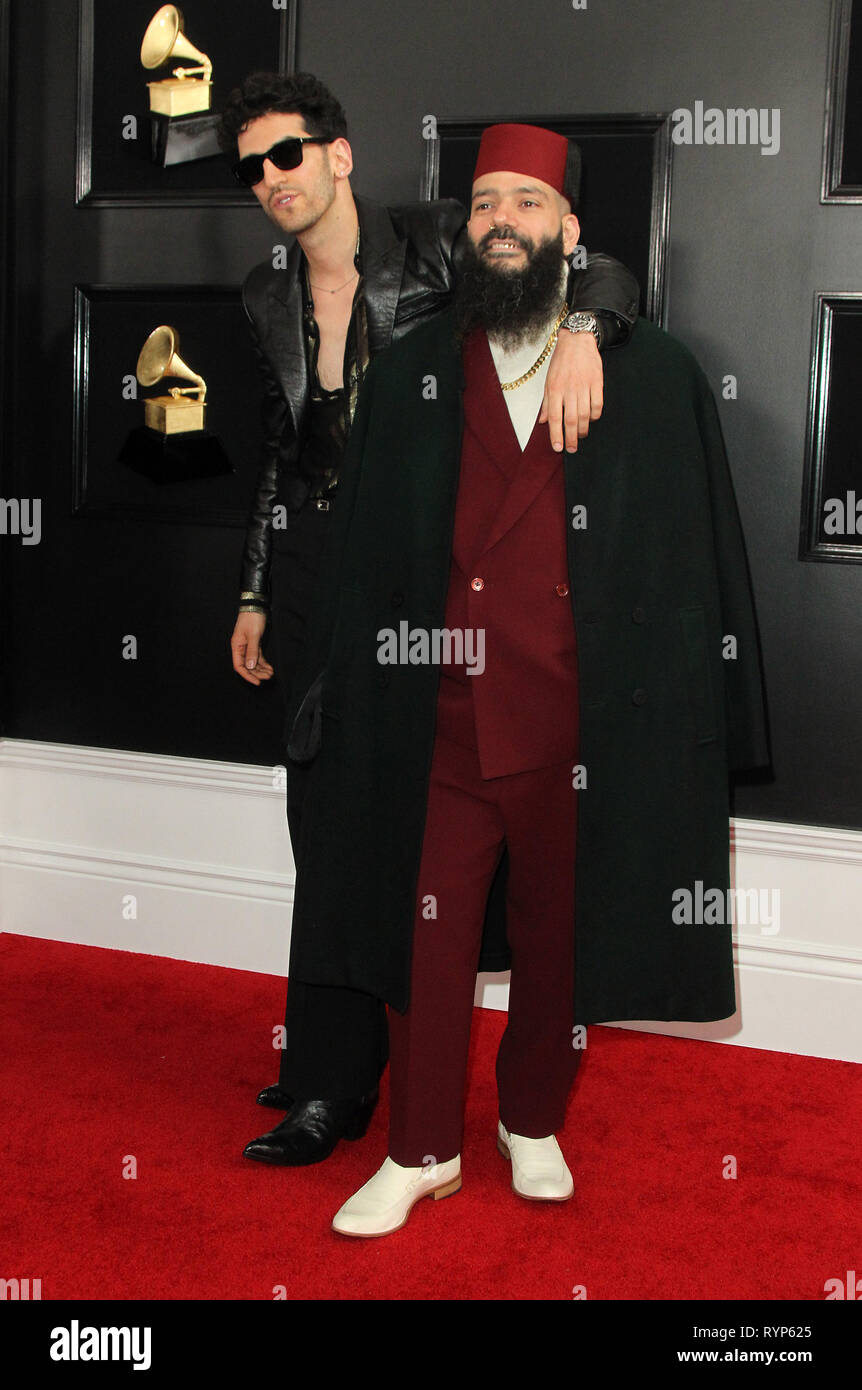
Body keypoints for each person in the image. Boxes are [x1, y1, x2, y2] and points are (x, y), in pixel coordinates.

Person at [284, 121, 770, 1236]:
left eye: (528, 203)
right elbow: (365, 561)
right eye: (485, 203)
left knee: (561, 936)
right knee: (427, 939)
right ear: (467, 229)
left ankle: (533, 1119)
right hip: (440, 723)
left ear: (569, 230)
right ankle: (418, 1150)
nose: (503, 220)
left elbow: (697, 562)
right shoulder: (409, 370)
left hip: (579, 724)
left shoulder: (648, 374)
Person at [218, 73, 641, 1167]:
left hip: (411, 564)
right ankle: (328, 1072)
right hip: (320, 567)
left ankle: (358, 1089)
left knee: (398, 838)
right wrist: (258, 588)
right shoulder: (262, 297)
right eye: (252, 165)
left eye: (288, 154)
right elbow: (277, 452)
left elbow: (583, 262)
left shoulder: (438, 246)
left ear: (338, 155)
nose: (272, 180)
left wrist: (590, 325)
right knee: (331, 822)